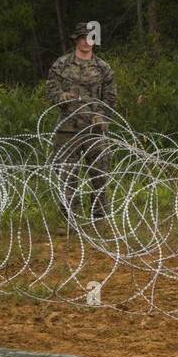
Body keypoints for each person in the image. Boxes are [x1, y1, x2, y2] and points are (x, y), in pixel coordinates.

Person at [46, 22, 116, 221]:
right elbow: (51, 90)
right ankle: (70, 218)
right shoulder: (61, 64)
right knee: (68, 175)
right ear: (76, 39)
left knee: (100, 175)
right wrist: (62, 97)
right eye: (83, 38)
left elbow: (110, 97)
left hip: (95, 128)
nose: (86, 42)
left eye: (90, 38)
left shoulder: (103, 68)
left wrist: (101, 115)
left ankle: (99, 218)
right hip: (68, 128)